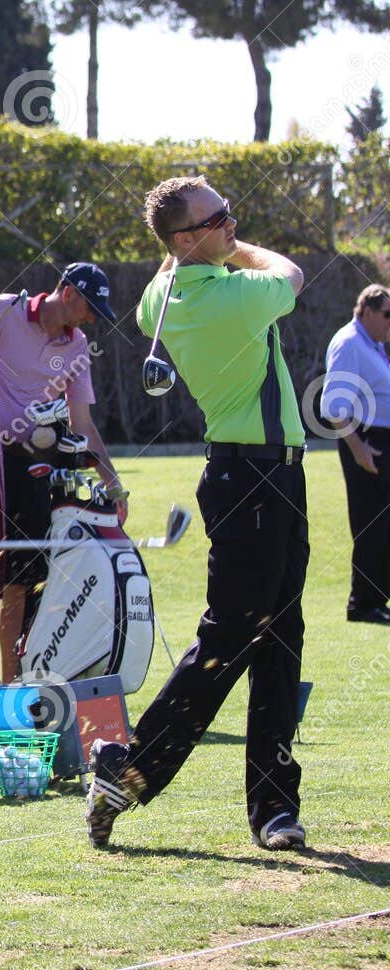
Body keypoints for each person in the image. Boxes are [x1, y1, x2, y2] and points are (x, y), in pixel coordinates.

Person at [88, 176, 309, 853]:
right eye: (221, 217)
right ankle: (129, 767)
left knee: (280, 638)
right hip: (254, 478)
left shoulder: (165, 296)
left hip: (266, 474)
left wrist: (205, 242)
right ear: (186, 239)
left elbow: (160, 285)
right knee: (230, 637)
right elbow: (292, 274)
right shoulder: (232, 295)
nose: (233, 223)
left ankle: (274, 807)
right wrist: (234, 248)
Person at [0, 263, 126, 686]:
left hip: (33, 469)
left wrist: (113, 483)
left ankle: (10, 689)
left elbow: (82, 423)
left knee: (22, 583)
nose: (91, 318)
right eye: (89, 307)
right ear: (67, 292)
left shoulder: (78, 345)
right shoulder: (6, 310)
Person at [322, 283, 390, 623]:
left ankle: (376, 599)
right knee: (371, 523)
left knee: (383, 523)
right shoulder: (349, 343)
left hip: (379, 439)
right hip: (366, 440)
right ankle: (362, 604)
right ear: (366, 311)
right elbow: (333, 407)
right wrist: (359, 449)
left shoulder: (374, 345)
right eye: (387, 315)